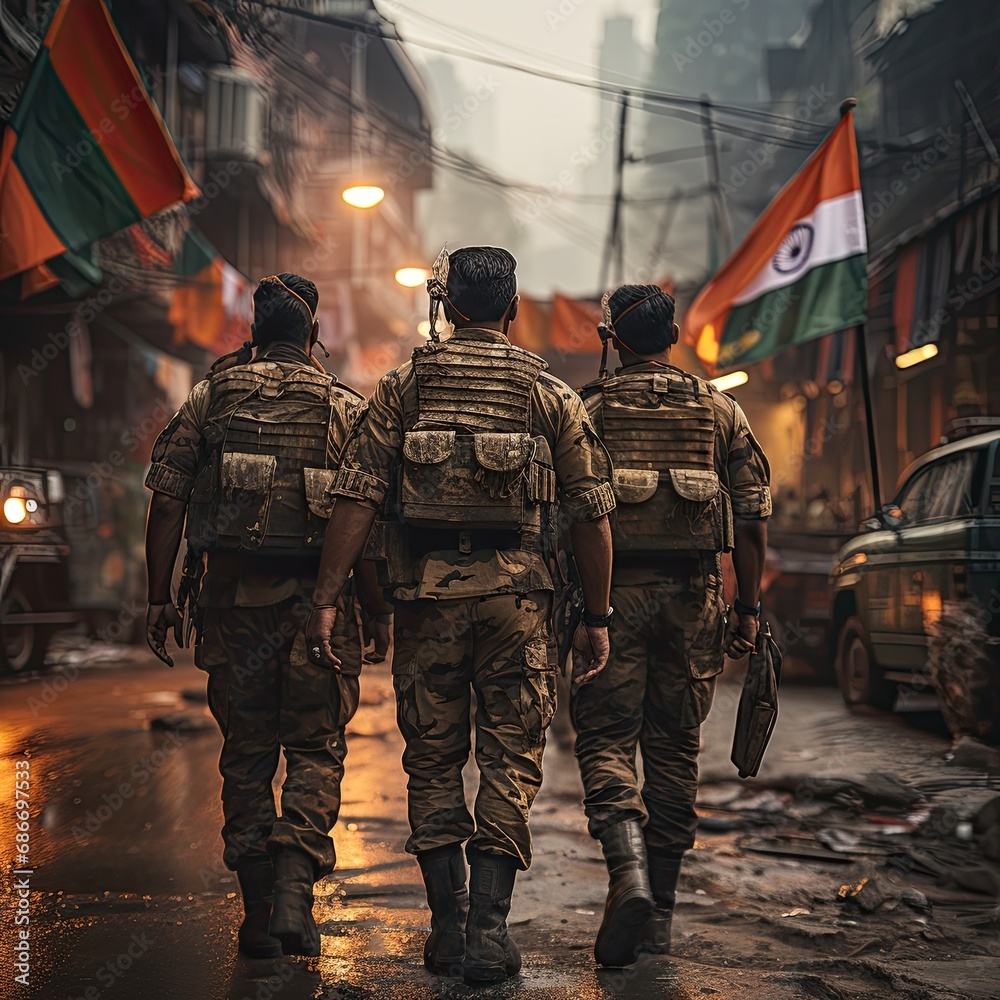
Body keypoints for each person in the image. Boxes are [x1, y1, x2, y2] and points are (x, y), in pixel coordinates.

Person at [304, 246, 616, 985]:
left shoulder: (403, 387)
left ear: (447, 306)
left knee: (434, 761)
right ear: (513, 310)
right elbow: (592, 516)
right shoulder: (550, 393)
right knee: (509, 762)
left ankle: (446, 928)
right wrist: (596, 616)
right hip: (519, 608)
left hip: (427, 604)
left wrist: (326, 599)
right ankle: (486, 935)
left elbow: (357, 497)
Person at [144, 274, 388, 959]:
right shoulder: (345, 408)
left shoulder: (210, 398)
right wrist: (375, 611)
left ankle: (256, 913)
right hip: (321, 612)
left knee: (246, 756)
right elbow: (360, 518)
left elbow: (166, 502)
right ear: (315, 340)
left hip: (232, 606)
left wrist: (158, 598)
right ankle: (294, 897)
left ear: (253, 335)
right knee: (315, 751)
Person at [572, 284, 771, 967]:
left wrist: (575, 614)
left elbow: (566, 516)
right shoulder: (720, 408)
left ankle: (625, 874)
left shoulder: (588, 409)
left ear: (612, 340)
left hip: (614, 599)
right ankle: (657, 917)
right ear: (674, 337)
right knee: (675, 747)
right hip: (694, 599)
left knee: (604, 738)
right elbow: (750, 516)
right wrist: (746, 609)